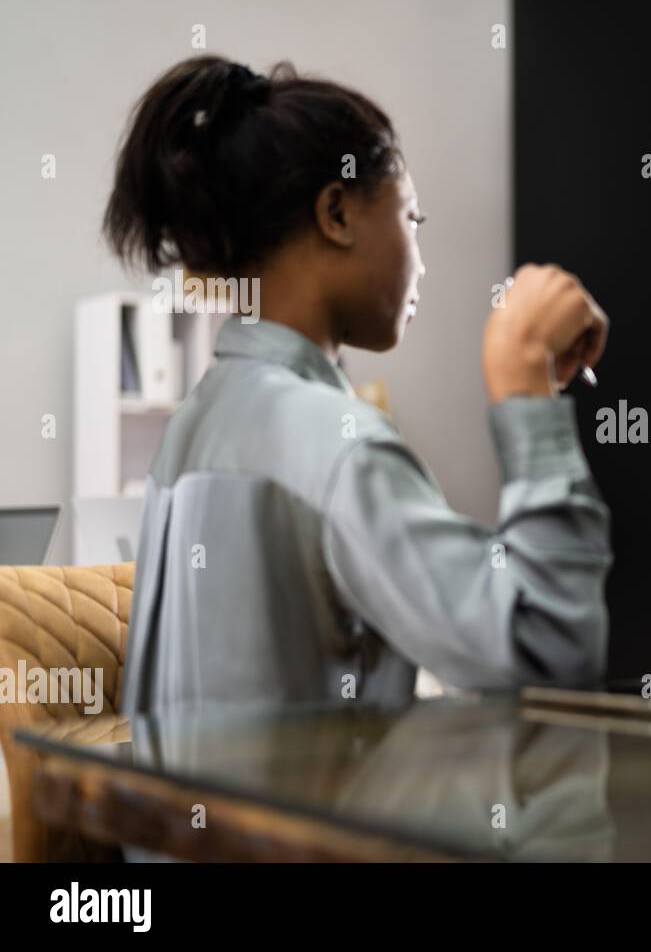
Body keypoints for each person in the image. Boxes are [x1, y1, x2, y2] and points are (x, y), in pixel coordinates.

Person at [103, 56, 611, 712]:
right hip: (323, 815)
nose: (421, 261)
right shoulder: (334, 442)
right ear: (337, 213)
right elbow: (549, 656)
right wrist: (524, 391)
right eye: (411, 222)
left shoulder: (192, 423)